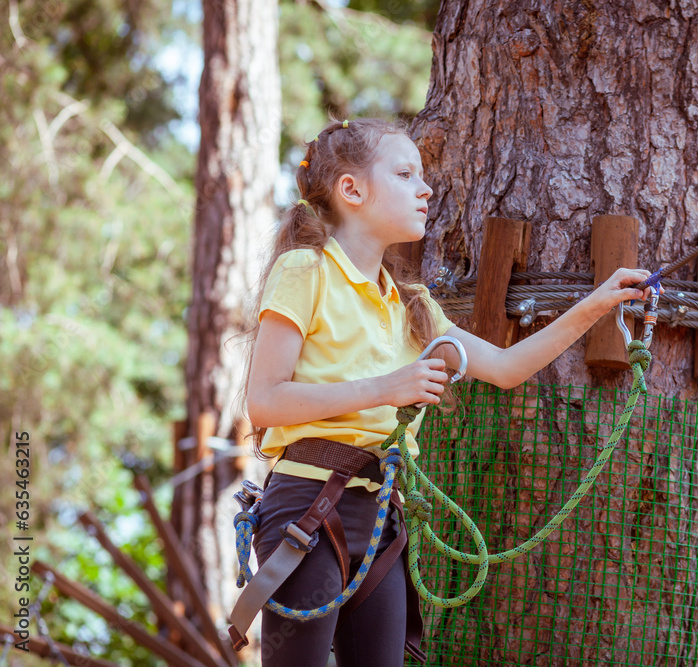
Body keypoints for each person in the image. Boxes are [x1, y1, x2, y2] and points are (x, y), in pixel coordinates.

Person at [240, 115, 652, 667]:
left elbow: (506, 368)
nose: (426, 188)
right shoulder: (305, 271)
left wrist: (598, 303)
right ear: (352, 190)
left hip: (383, 516)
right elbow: (265, 400)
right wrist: (388, 386)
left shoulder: (411, 303)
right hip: (308, 507)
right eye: (406, 173)